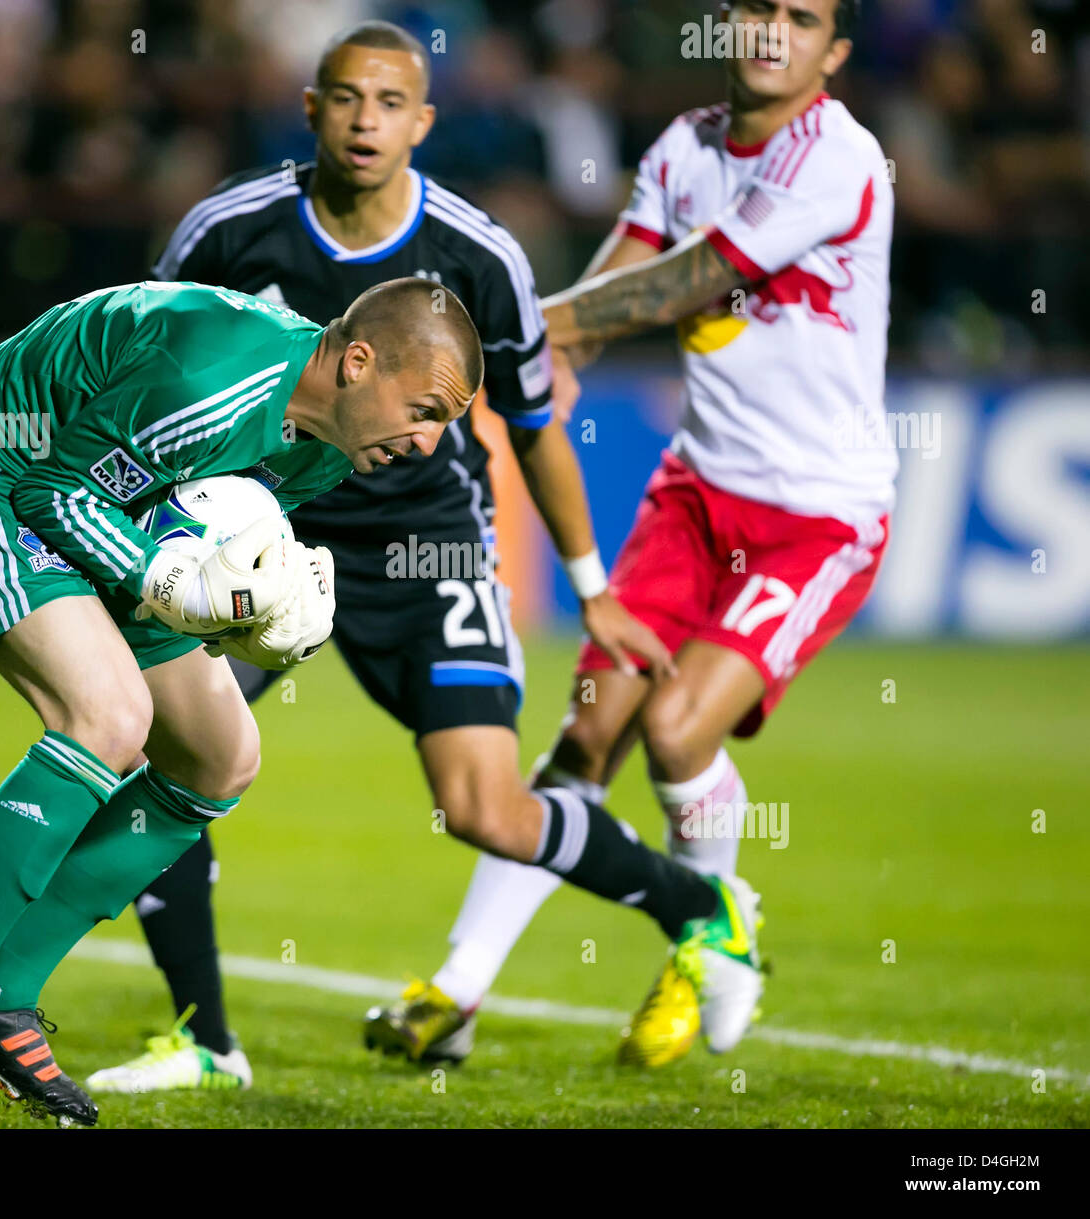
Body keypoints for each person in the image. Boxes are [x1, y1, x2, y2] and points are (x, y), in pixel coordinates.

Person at [85, 19, 760, 1093]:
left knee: (482, 805)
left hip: (422, 544)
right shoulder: (231, 226)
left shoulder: (478, 253)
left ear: (424, 121)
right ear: (309, 108)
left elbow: (536, 424)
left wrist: (590, 589)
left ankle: (701, 907)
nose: (365, 121)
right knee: (169, 751)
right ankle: (204, 1040)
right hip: (262, 530)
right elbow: (146, 359)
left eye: (390, 103)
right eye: (346, 98)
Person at [371, 0, 894, 1068]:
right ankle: (459, 990)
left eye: (799, 19)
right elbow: (617, 281)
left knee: (675, 733)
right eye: (756, 8)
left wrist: (497, 332)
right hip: (694, 497)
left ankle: (711, 929)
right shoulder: (685, 145)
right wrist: (541, 375)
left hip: (816, 515)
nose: (769, 31)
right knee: (586, 737)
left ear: (831, 54)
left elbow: (683, 284)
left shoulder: (837, 157)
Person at [0, 274, 484, 1129]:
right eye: (424, 409)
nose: (426, 442)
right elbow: (55, 489)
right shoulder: (214, 377)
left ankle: (0, 996)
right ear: (356, 361)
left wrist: (252, 609)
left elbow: (182, 513)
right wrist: (167, 578)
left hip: (95, 510)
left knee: (221, 755)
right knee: (109, 719)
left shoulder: (330, 445)